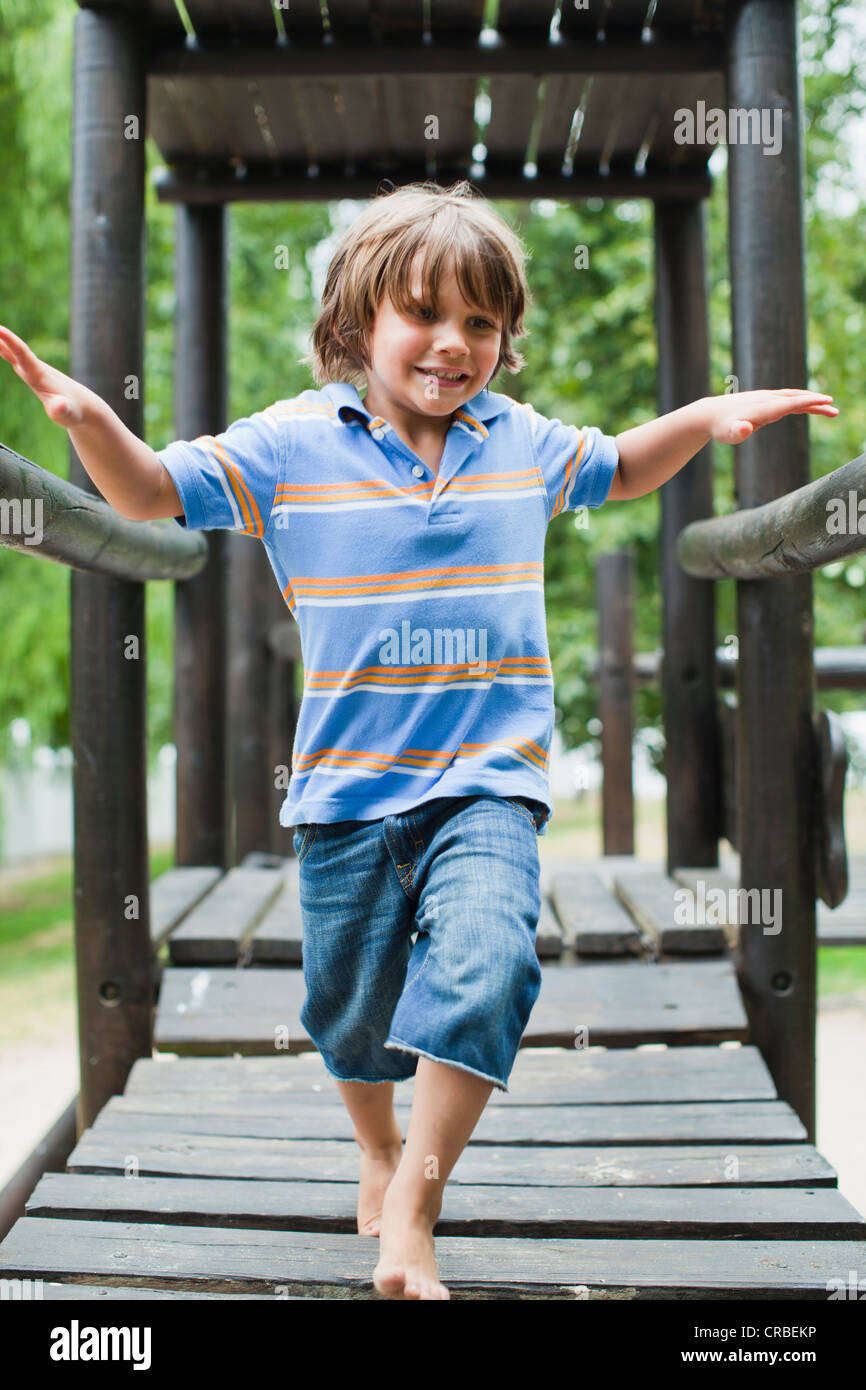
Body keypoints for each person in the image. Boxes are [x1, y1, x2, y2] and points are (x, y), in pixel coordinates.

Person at [0, 179, 837, 1301]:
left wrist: (706, 417)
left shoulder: (521, 443)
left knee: (489, 966)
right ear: (358, 321)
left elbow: (622, 466)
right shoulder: (289, 444)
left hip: (486, 780)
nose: (453, 344)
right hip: (345, 791)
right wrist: (90, 423)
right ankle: (375, 1144)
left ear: (504, 339)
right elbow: (149, 496)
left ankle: (414, 1206)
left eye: (480, 324)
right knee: (348, 1016)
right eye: (424, 315)